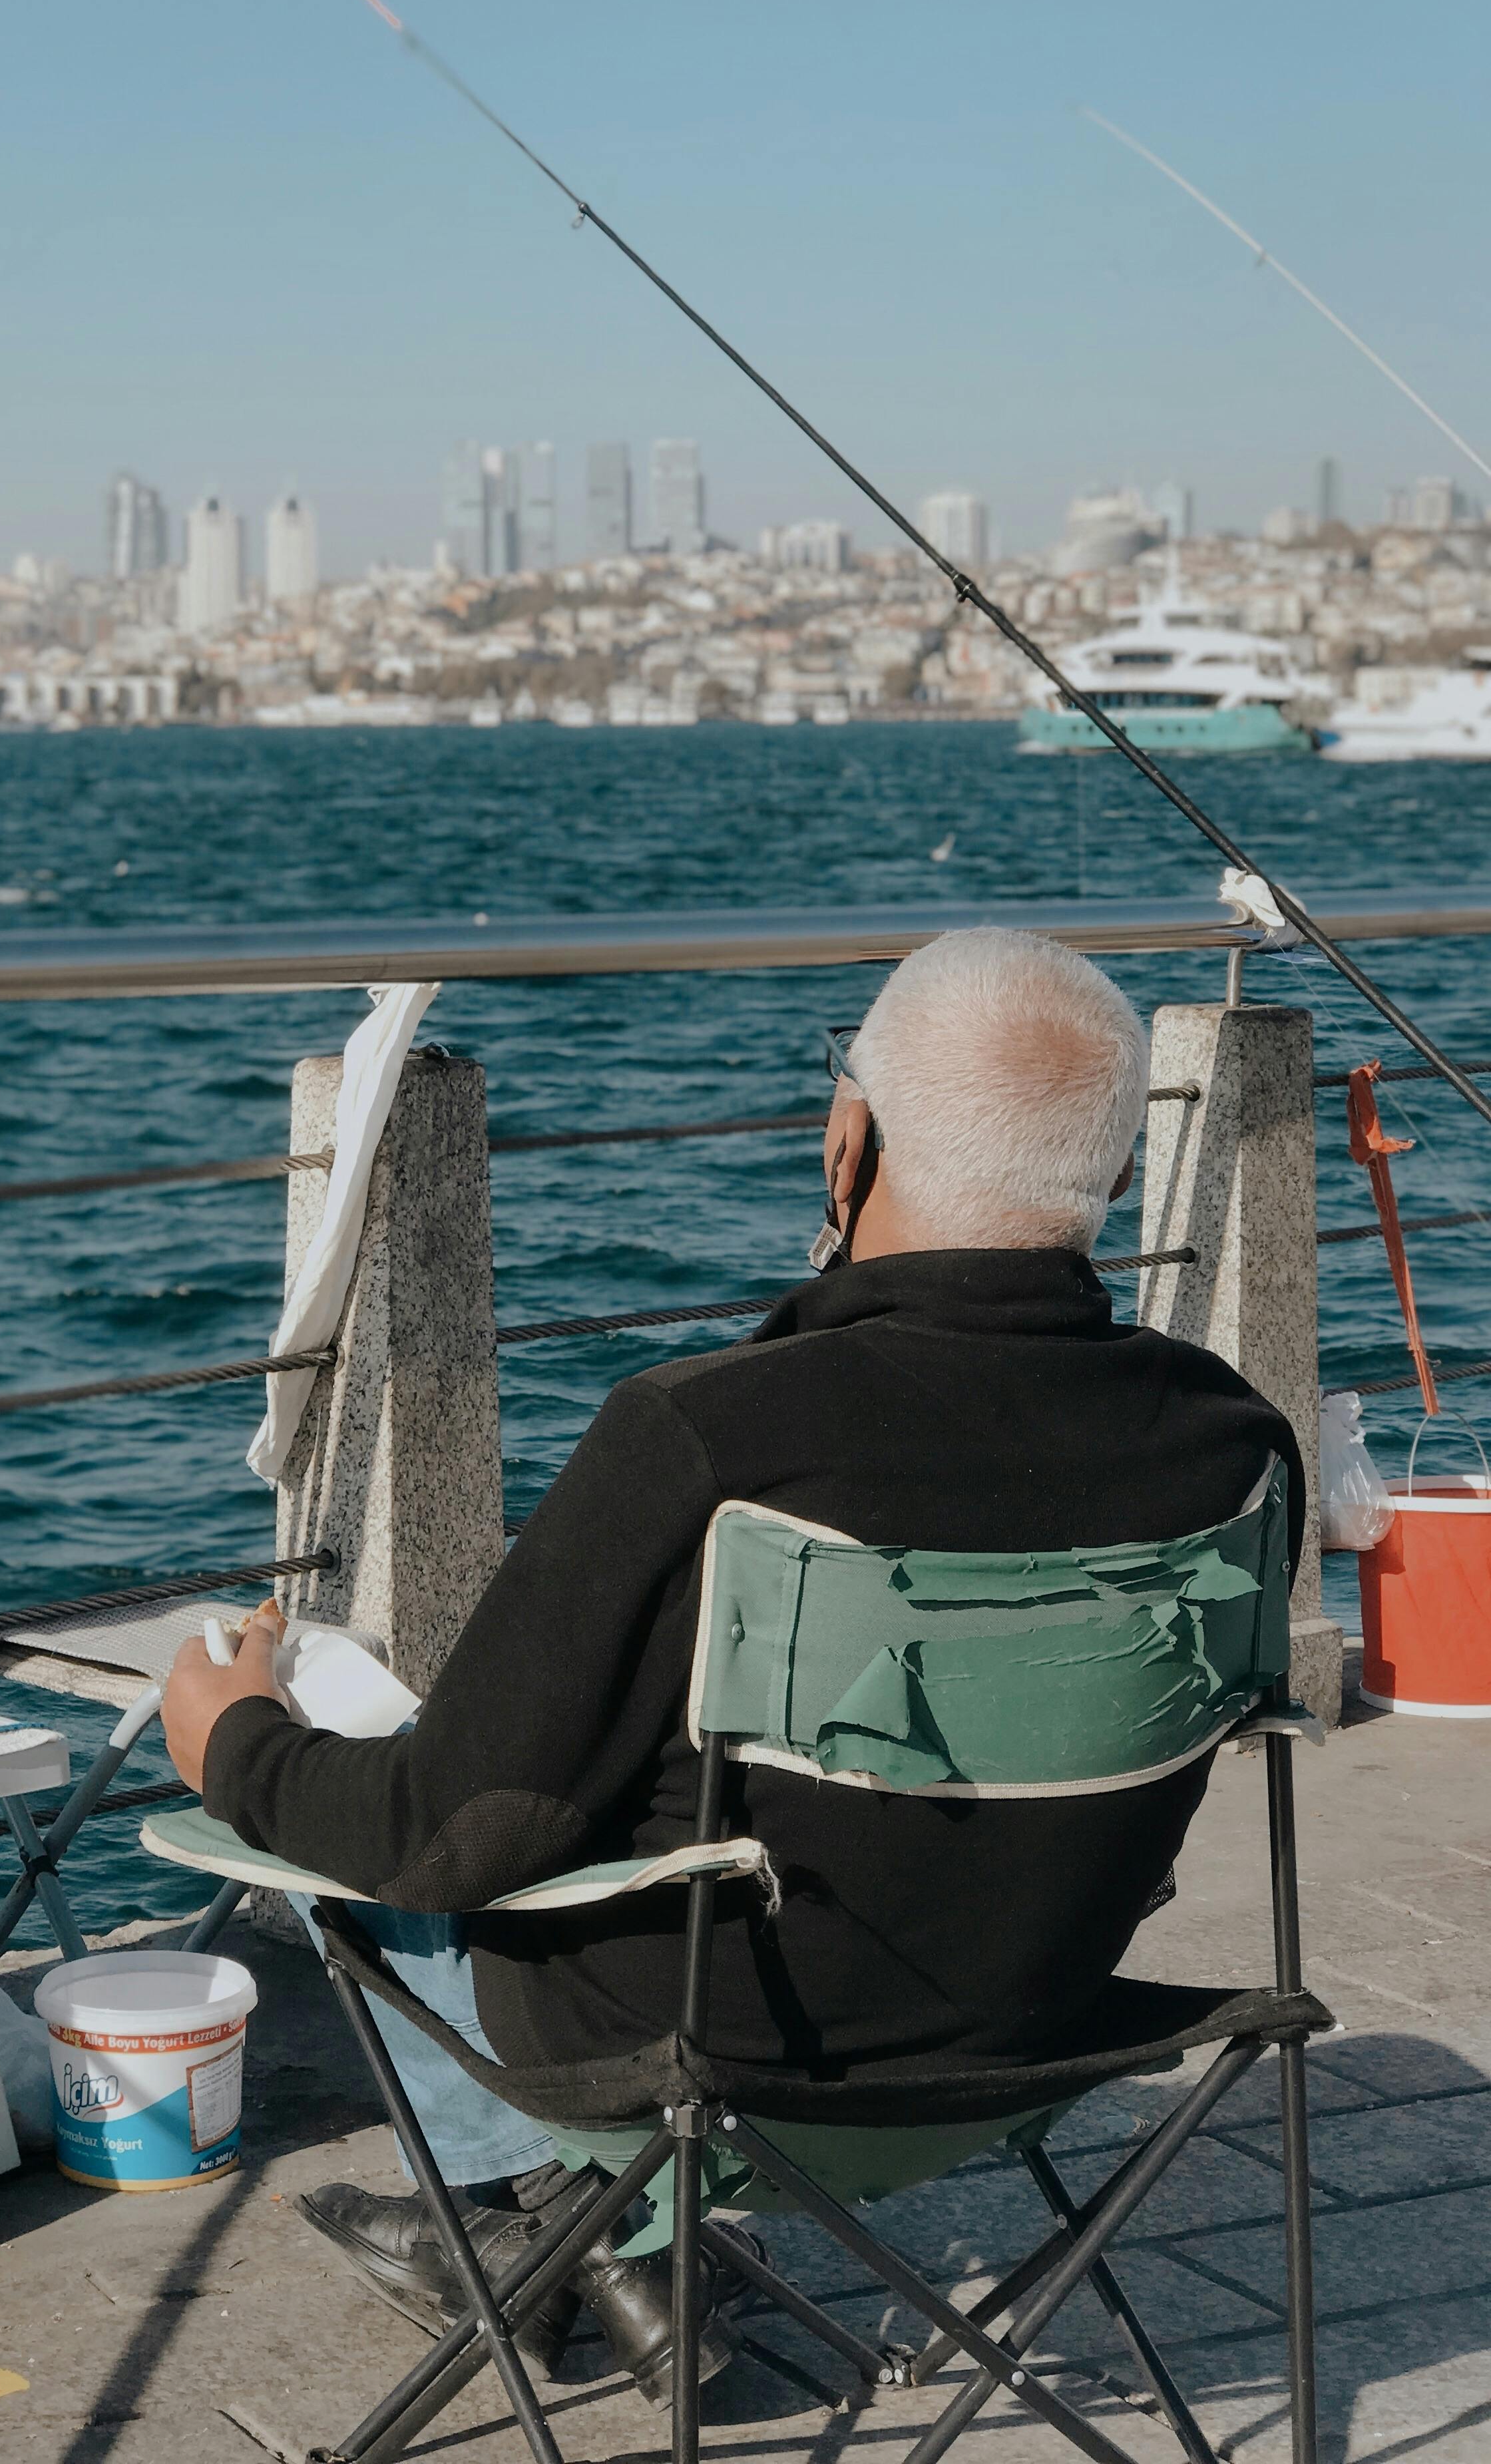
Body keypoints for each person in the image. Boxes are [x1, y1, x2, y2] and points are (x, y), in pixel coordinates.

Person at [160, 928, 1305, 2397]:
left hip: (702, 2066)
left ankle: (572, 2241)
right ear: (1114, 1181)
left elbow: (441, 1840)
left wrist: (234, 1736)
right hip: (1037, 2032)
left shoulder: (710, 1438)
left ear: (848, 1143)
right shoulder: (1233, 1442)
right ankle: (595, 2259)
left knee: (382, 1818)